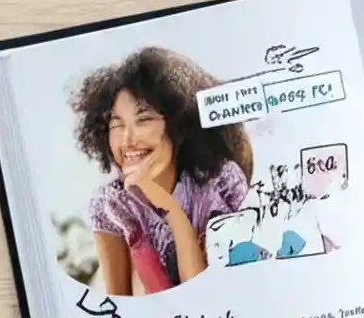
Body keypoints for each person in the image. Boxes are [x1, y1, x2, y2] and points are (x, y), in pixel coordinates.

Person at [71, 47, 252, 295]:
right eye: (116, 124)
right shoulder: (110, 204)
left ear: (177, 124)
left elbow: (205, 296)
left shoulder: (222, 182)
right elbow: (120, 303)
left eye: (143, 120)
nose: (128, 139)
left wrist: (169, 206)